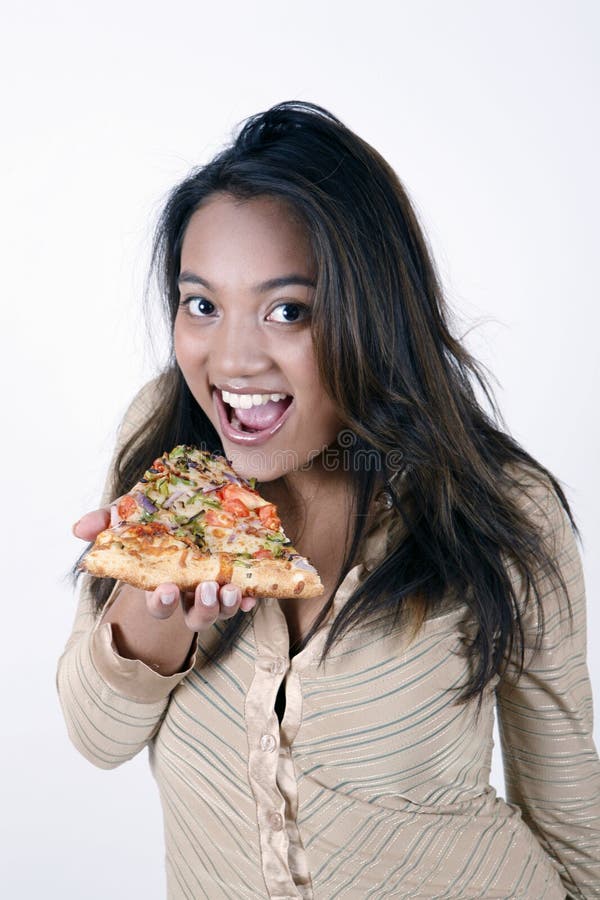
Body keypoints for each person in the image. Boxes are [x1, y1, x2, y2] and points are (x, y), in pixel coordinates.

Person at [57, 100, 600, 899]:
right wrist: (152, 608)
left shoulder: (504, 505)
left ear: (372, 313)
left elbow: (570, 820)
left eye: (289, 310)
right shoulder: (166, 450)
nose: (234, 359)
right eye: (201, 303)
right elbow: (96, 740)